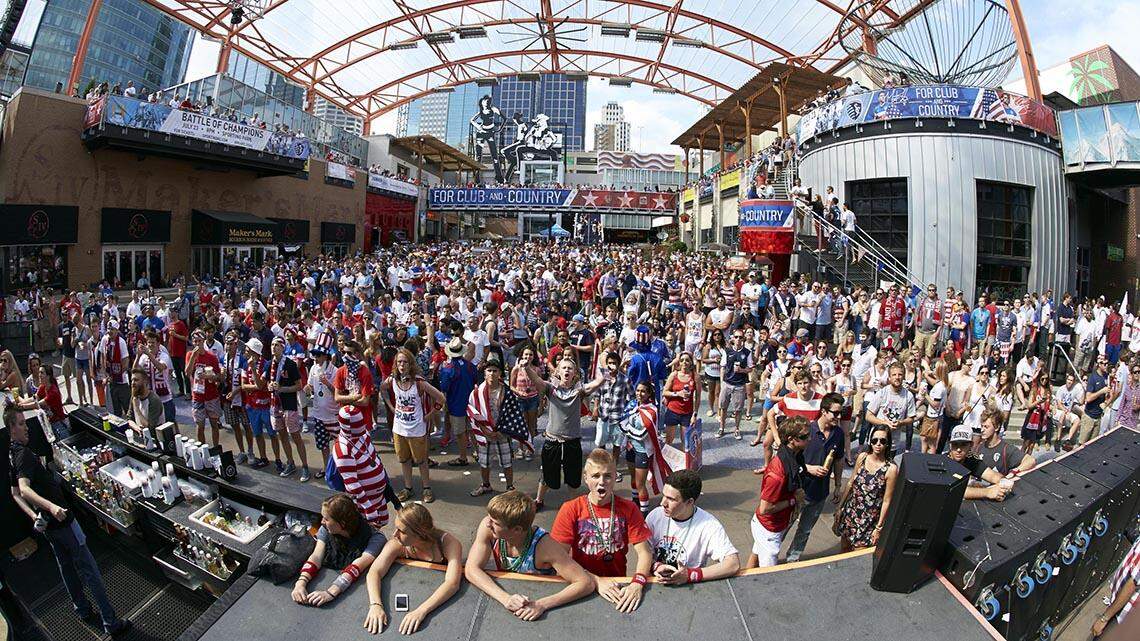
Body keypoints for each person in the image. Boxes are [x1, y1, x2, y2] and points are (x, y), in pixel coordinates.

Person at [7, 405, 130, 636]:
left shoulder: (12, 454)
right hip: (62, 521)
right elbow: (23, 489)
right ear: (12, 428)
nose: (27, 428)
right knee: (90, 569)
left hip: (48, 526)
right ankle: (111, 622)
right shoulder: (23, 455)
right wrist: (52, 507)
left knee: (66, 568)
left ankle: (82, 609)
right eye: (22, 424)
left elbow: (14, 493)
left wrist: (35, 515)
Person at [550, 449, 653, 613]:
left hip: (617, 587)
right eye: (595, 476)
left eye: (607, 476)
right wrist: (596, 580)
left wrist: (637, 583)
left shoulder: (629, 508)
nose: (602, 482)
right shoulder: (571, 509)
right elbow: (558, 559)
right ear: (586, 478)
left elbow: (644, 552)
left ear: (615, 477)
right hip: (580, 583)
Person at [466, 490, 594, 620]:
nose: (488, 524)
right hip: (509, 595)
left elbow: (585, 583)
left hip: (537, 595)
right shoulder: (488, 528)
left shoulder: (545, 546)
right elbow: (471, 569)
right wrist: (506, 599)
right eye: (489, 518)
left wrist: (542, 604)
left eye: (495, 523)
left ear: (517, 529)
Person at [363, 504, 463, 634]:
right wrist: (375, 604)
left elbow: (452, 583)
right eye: (396, 528)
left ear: (420, 533)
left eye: (402, 531)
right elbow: (374, 572)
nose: (394, 534)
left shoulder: (448, 543)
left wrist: (421, 611)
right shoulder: (397, 544)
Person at [526, 358, 607, 510]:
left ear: (575, 373)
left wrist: (607, 371)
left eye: (570, 368)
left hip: (572, 441)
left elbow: (596, 383)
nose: (567, 370)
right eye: (563, 368)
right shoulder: (550, 388)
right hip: (552, 440)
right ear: (558, 371)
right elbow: (536, 380)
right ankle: (539, 500)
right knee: (547, 474)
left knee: (573, 478)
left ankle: (573, 506)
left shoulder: (579, 391)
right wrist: (526, 367)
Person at [646, 469, 740, 584]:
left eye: (671, 499)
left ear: (690, 502)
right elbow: (643, 552)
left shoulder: (708, 525)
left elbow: (733, 564)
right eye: (664, 496)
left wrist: (690, 575)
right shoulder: (655, 516)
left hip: (690, 588)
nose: (663, 503)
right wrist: (656, 566)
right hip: (655, 583)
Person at [292, 494, 384, 608]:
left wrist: (331, 593)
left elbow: (357, 566)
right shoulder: (327, 529)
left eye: (326, 519)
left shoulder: (375, 538)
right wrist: (300, 583)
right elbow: (316, 556)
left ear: (342, 523)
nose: (322, 522)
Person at [785, 392, 845, 563]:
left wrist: (838, 485)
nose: (838, 417)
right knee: (784, 526)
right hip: (798, 490)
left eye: (840, 413)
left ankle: (792, 560)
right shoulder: (807, 431)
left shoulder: (839, 434)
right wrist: (809, 468)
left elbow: (838, 460)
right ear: (824, 411)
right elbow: (789, 458)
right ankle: (769, 557)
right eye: (835, 413)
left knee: (805, 530)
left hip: (819, 493)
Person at [383, 348, 445, 502]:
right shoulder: (392, 379)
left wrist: (430, 415)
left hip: (416, 428)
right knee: (404, 460)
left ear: (411, 364)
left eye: (405, 362)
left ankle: (426, 488)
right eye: (399, 362)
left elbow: (441, 398)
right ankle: (408, 488)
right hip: (399, 428)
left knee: (421, 461)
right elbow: (382, 389)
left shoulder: (419, 382)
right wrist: (391, 407)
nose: (401, 365)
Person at [747, 416, 809, 568]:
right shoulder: (778, 473)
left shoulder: (794, 455)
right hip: (769, 529)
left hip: (775, 524)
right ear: (791, 439)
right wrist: (794, 500)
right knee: (770, 574)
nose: (809, 439)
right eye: (804, 437)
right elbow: (765, 508)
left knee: (756, 555)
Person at [833, 425, 898, 551]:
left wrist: (879, 528)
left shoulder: (891, 469)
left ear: (888, 444)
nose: (878, 444)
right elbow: (851, 482)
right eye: (874, 440)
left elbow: (887, 501)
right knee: (844, 551)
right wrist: (840, 507)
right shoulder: (862, 457)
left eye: (882, 441)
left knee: (858, 557)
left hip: (869, 521)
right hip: (851, 514)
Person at [333, 404, 392, 528]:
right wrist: (368, 508)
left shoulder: (364, 435)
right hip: (364, 503)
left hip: (379, 496)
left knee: (383, 521)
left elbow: (373, 457)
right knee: (368, 531)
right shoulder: (343, 449)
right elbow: (352, 483)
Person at [945, 425, 1015, 501]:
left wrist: (1004, 484)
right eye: (955, 444)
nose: (958, 449)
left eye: (963, 445)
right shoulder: (943, 462)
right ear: (950, 445)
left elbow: (992, 476)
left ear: (971, 445)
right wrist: (988, 492)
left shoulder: (971, 458)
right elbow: (953, 490)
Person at [438, 337, 477, 466]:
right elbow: (475, 380)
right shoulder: (470, 366)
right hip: (471, 403)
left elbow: (444, 388)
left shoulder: (448, 369)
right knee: (472, 430)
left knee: (460, 433)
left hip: (455, 404)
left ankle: (463, 457)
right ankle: (478, 453)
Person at [186, 329, 224, 446]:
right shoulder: (190, 355)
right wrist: (193, 357)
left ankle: (216, 447)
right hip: (198, 396)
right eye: (195, 341)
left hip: (211, 395)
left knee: (214, 424)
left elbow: (219, 377)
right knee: (200, 425)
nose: (197, 344)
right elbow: (187, 373)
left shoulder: (211, 357)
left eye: (200, 341)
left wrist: (209, 376)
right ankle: (202, 449)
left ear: (203, 341)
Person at [974, 408, 1035, 476]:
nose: (982, 430)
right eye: (982, 426)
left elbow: (1030, 460)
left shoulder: (1007, 449)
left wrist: (1014, 472)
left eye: (986, 427)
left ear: (997, 427)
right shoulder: (979, 447)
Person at [96, 320, 131, 416]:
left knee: (127, 407)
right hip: (110, 380)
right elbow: (102, 357)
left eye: (112, 329)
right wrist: (105, 375)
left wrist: (115, 375)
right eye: (108, 329)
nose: (109, 331)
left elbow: (126, 362)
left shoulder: (121, 342)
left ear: (117, 330)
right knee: (115, 409)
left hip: (121, 381)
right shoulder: (104, 340)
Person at [128, 368, 164, 433]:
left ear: (145, 381)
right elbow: (129, 419)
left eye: (136, 380)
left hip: (155, 436)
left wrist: (137, 409)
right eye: (132, 380)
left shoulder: (154, 400)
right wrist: (136, 428)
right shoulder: (134, 396)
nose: (133, 383)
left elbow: (150, 428)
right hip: (140, 433)